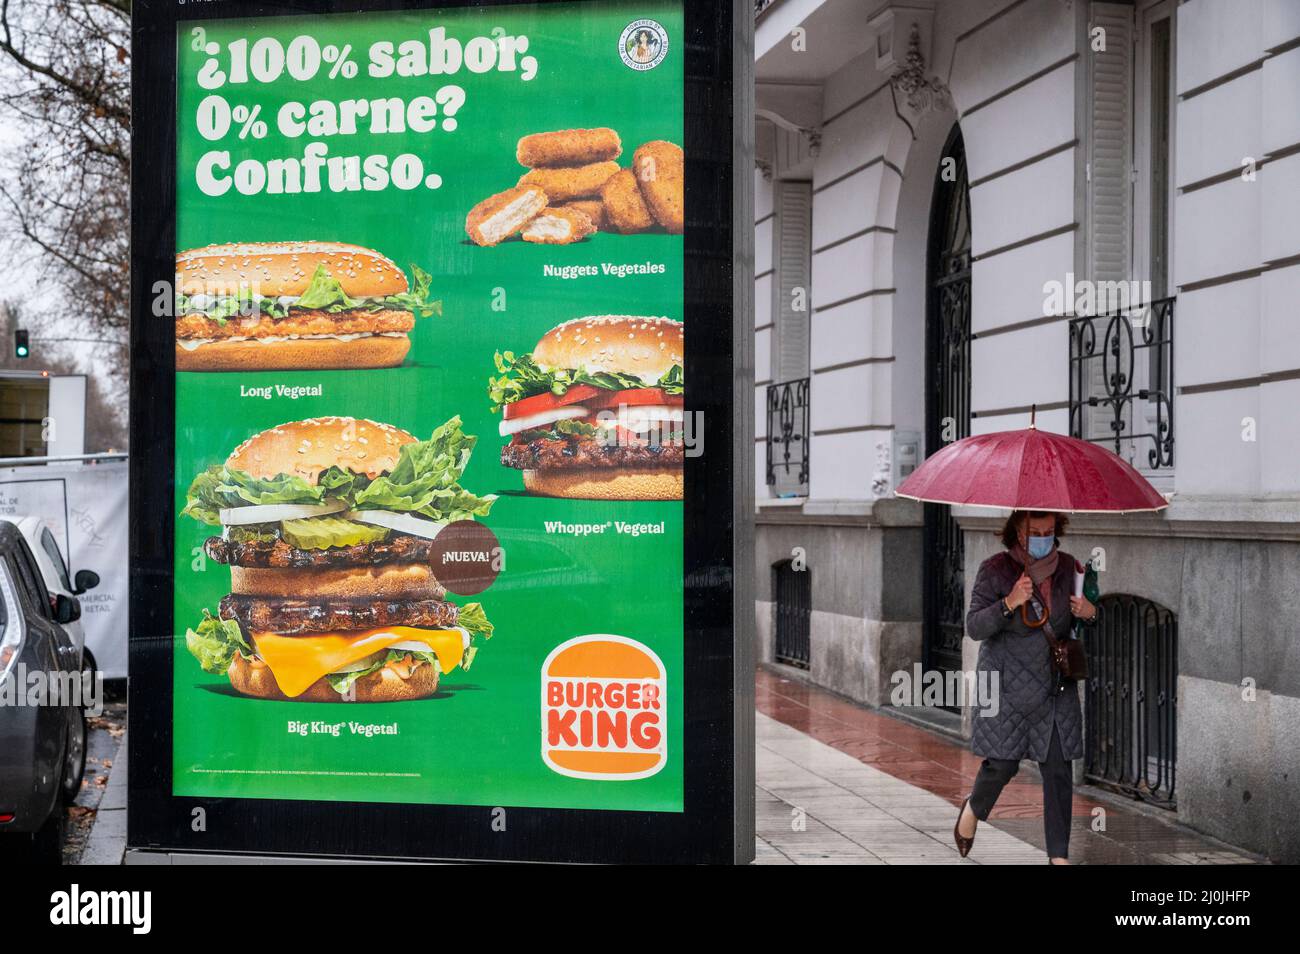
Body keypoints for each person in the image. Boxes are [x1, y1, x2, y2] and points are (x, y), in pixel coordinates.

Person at [953, 510, 1097, 864]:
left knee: (1058, 768)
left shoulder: (1071, 569)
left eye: (1049, 530)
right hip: (1006, 685)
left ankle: (1058, 857)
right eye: (1036, 531)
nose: (1044, 537)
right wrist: (1008, 603)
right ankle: (972, 808)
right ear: (1018, 530)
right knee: (1002, 764)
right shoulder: (995, 569)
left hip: (1053, 685)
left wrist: (1090, 612)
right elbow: (974, 627)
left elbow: (1091, 621)